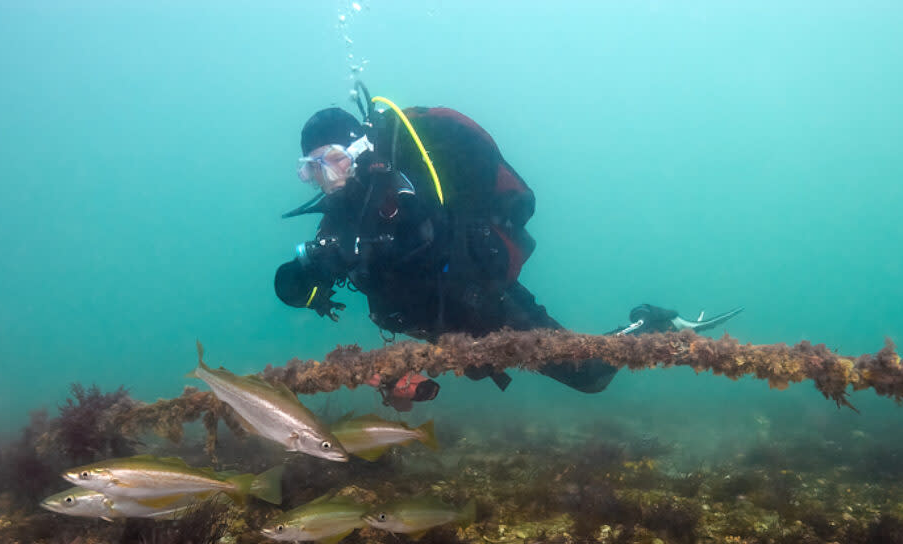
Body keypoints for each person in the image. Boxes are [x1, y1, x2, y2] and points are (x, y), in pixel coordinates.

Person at [275, 85, 741, 406]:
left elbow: (434, 248)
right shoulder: (341, 214)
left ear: (357, 150)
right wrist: (308, 282)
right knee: (404, 393)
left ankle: (653, 322)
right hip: (436, 332)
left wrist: (389, 241)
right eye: (311, 170)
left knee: (591, 375)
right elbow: (307, 283)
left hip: (486, 306)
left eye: (331, 162)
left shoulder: (406, 187)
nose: (325, 180)